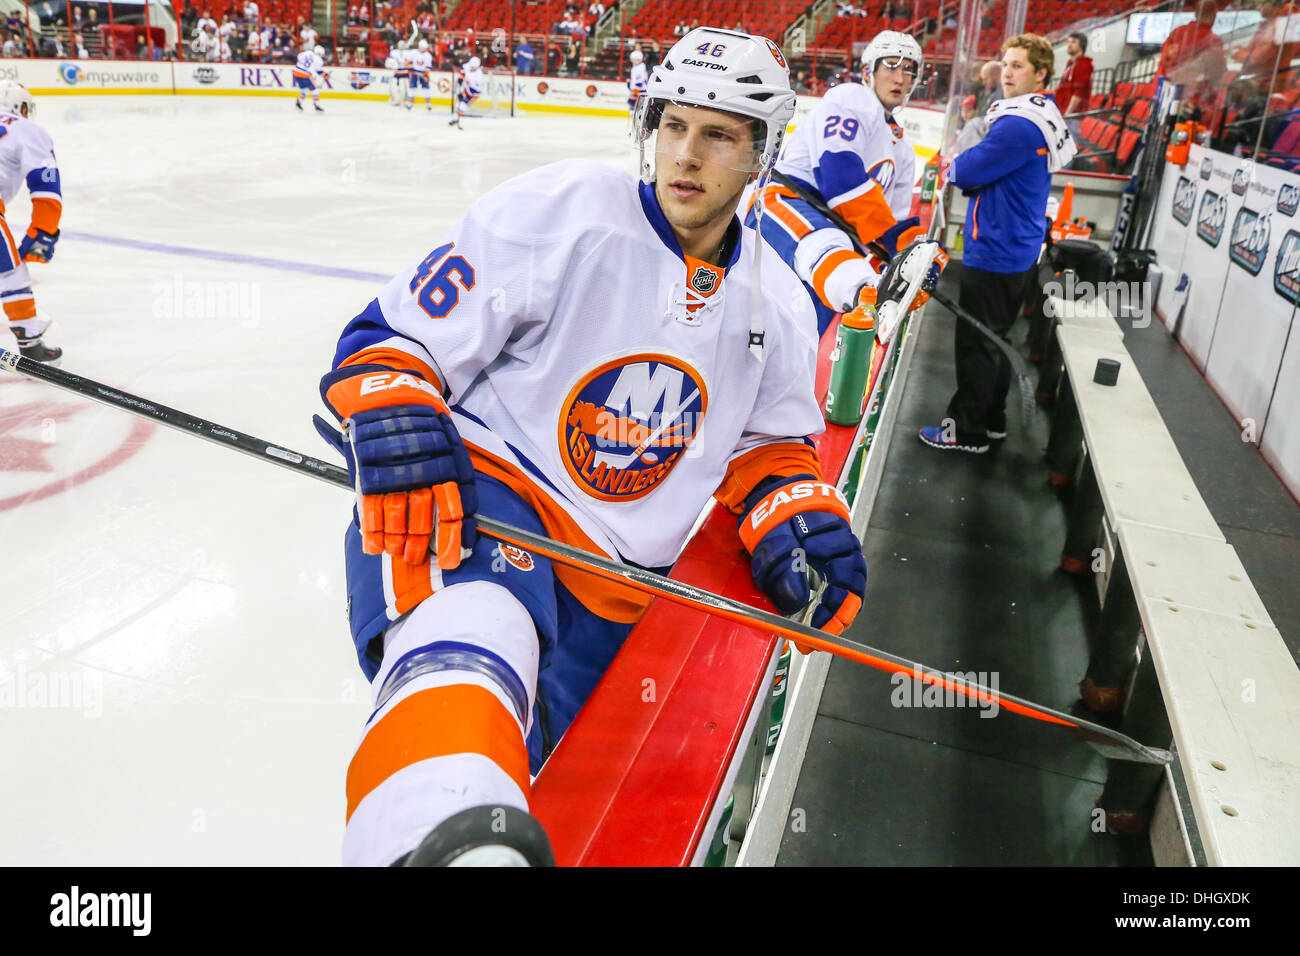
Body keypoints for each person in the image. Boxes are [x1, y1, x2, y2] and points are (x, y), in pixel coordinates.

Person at [314, 26, 866, 867]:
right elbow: (391, 340)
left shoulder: (779, 301)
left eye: (717, 135)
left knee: (534, 759)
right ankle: (433, 838)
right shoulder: (561, 211)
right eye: (673, 126)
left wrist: (794, 516)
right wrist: (395, 405)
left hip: (618, 580)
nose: (685, 154)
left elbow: (771, 449)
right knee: (472, 638)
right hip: (491, 499)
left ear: (761, 151)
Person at [918, 34, 1076, 454]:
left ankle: (966, 430)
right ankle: (991, 422)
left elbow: (964, 170)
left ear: (1041, 73)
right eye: (1005, 63)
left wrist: (963, 160)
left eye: (1018, 66)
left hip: (998, 247)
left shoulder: (1018, 125)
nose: (1007, 72)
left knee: (976, 344)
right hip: (1017, 246)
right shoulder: (1039, 114)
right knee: (995, 337)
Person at [750, 30, 946, 337]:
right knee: (829, 249)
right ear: (869, 70)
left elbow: (887, 227)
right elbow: (838, 172)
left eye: (909, 70)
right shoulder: (852, 97)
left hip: (834, 239)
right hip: (787, 203)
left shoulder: (903, 149)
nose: (900, 78)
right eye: (891, 66)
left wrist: (908, 256)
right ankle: (868, 295)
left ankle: (866, 293)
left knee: (802, 337)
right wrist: (898, 242)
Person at [0, 82, 63, 364]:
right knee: (11, 272)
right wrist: (44, 230)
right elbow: (46, 186)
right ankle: (30, 341)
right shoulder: (26, 129)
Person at [1158, 0, 1226, 113]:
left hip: (1166, 89)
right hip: (1191, 97)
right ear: (1214, 15)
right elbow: (1217, 72)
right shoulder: (1213, 40)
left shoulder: (1177, 32)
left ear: (1196, 13)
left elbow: (1166, 60)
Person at [1055, 32, 1093, 116]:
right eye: (1068, 42)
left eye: (1073, 42)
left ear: (1081, 46)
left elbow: (1078, 94)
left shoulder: (1084, 65)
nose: (1069, 45)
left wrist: (1067, 114)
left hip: (1073, 115)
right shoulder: (1071, 63)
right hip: (1062, 110)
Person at [448, 54, 482, 128]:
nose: (471, 67)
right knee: (458, 104)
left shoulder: (478, 76)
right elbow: (463, 71)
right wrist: (461, 78)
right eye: (471, 66)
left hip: (474, 94)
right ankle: (455, 119)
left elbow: (474, 91)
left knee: (463, 106)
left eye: (473, 67)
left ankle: (457, 118)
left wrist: (462, 95)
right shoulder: (467, 65)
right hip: (467, 88)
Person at [293, 43, 326, 111]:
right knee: (315, 89)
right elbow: (319, 71)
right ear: (320, 53)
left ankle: (299, 101)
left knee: (306, 89)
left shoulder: (308, 52)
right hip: (305, 75)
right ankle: (316, 105)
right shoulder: (319, 60)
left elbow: (298, 57)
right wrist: (326, 75)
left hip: (296, 72)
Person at [408, 38, 433, 110]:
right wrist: (410, 69)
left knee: (426, 88)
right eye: (422, 47)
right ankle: (410, 104)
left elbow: (428, 68)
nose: (423, 49)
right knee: (412, 87)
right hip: (414, 73)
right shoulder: (413, 53)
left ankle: (428, 104)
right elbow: (408, 63)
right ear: (419, 47)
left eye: (424, 48)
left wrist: (425, 75)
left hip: (423, 73)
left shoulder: (428, 56)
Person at [626, 48, 647, 126]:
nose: (634, 60)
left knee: (634, 106)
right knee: (632, 106)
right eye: (633, 59)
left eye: (636, 59)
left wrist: (634, 92)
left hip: (640, 91)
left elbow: (639, 83)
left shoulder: (640, 68)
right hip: (638, 91)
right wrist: (630, 84)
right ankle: (636, 122)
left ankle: (638, 122)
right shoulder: (636, 67)